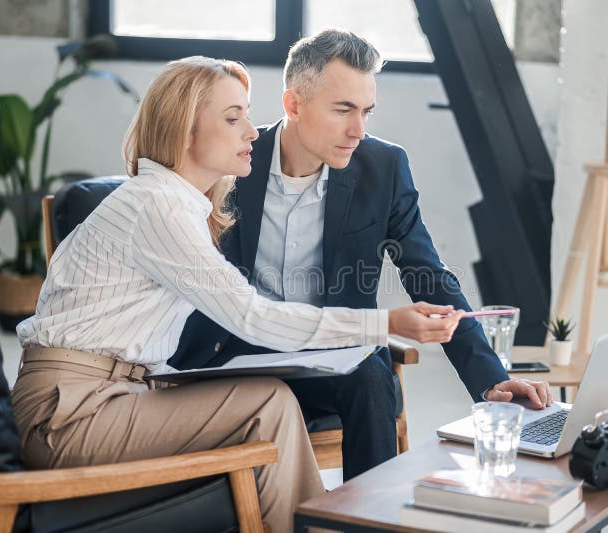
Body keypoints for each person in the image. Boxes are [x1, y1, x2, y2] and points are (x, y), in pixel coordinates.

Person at [11, 55, 464, 532]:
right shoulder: (157, 205)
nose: (252, 131)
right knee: (269, 404)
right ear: (185, 131)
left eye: (247, 115)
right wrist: (388, 323)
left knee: (273, 400)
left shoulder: (178, 205)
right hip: (69, 414)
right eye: (233, 118)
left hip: (110, 397)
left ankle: (323, 525)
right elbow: (253, 317)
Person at [170, 30, 553, 481]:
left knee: (373, 376)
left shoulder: (383, 167)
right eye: (343, 110)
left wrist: (490, 379)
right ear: (293, 105)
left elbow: (427, 274)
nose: (358, 130)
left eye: (366, 111)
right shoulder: (232, 161)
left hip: (333, 354)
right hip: (236, 355)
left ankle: (370, 518)